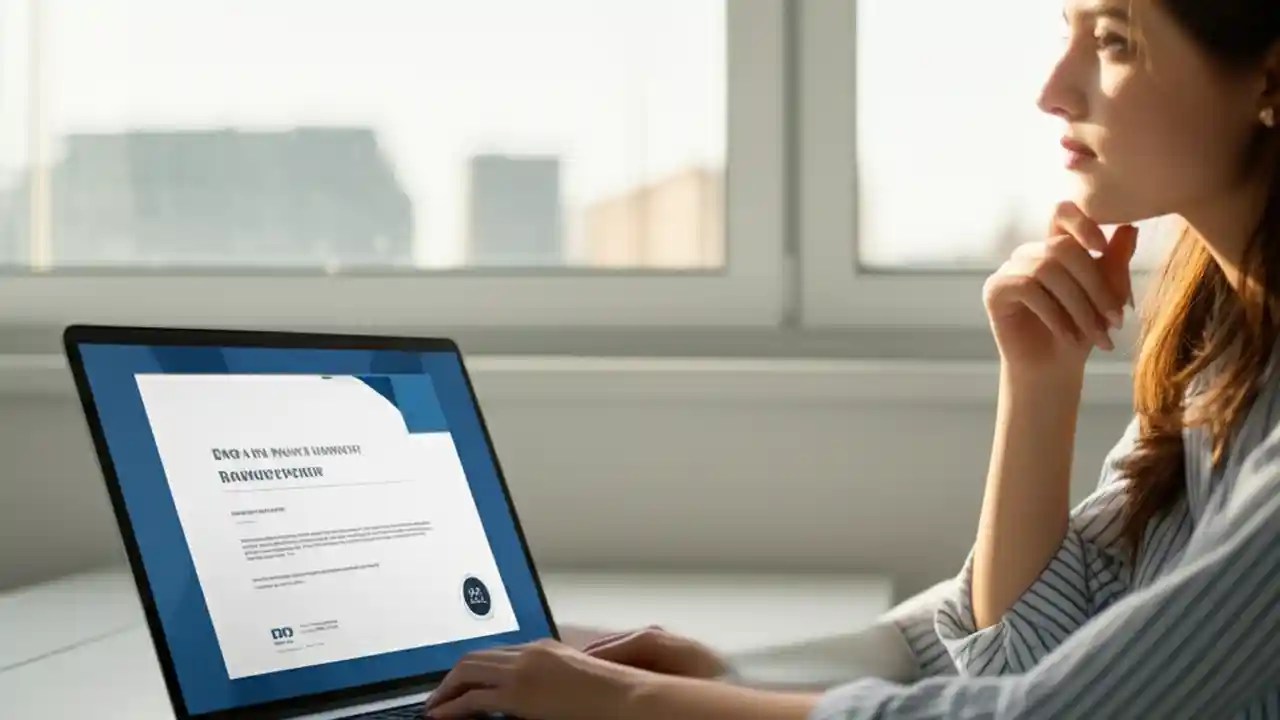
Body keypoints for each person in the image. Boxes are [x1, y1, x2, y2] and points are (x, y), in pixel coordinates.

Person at [425, 1, 1280, 717]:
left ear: (1269, 79)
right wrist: (1037, 381)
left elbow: (1038, 712)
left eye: (1113, 41)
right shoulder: (1224, 350)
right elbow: (1017, 648)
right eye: (1069, 27)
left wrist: (633, 705)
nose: (1054, 90)